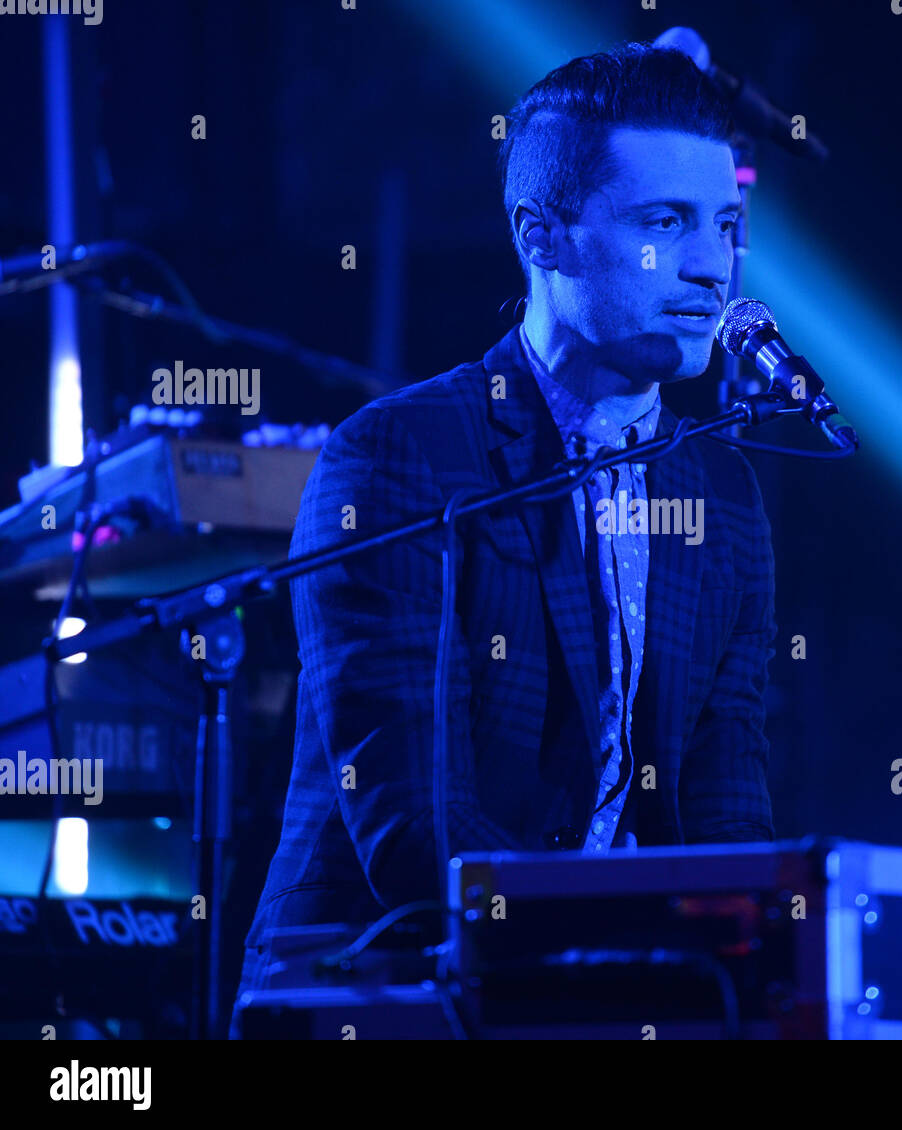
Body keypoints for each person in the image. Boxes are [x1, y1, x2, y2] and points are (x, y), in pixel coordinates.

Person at [231, 42, 777, 1032]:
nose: (712, 266)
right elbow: (419, 829)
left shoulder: (723, 492)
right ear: (545, 235)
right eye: (665, 223)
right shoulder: (399, 456)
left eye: (726, 226)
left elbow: (726, 806)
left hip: (614, 993)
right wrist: (621, 967)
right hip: (383, 989)